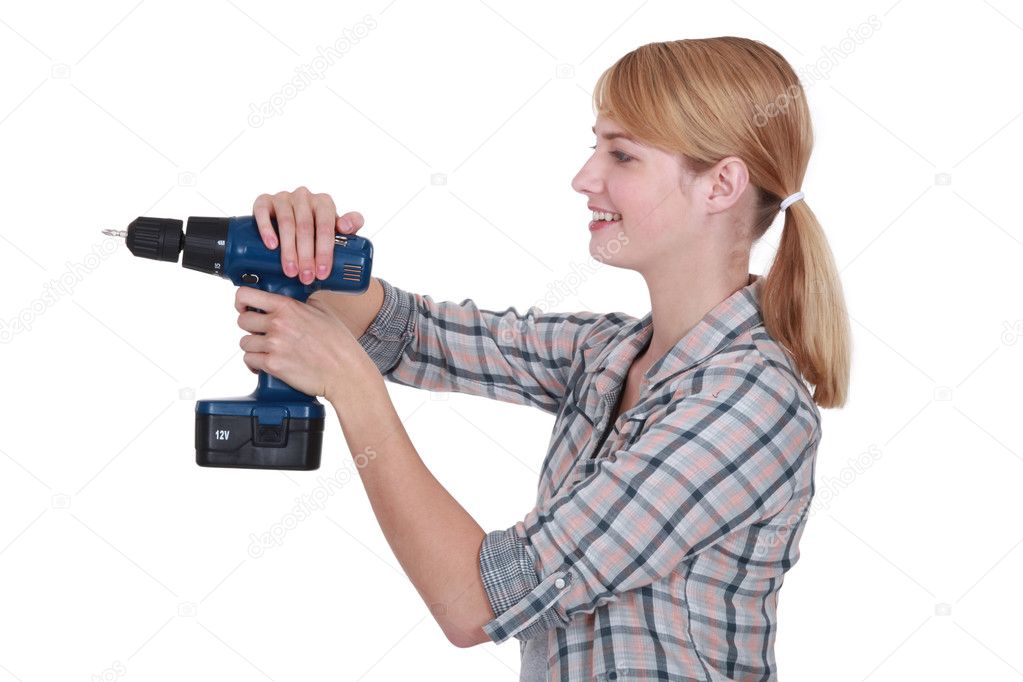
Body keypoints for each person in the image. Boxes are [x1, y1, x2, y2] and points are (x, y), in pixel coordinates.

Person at [234, 36, 850, 681]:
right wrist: (298, 248)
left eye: (622, 155)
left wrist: (350, 388)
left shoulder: (747, 403)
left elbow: (475, 601)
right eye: (596, 147)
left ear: (720, 184)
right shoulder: (608, 353)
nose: (585, 179)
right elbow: (407, 332)